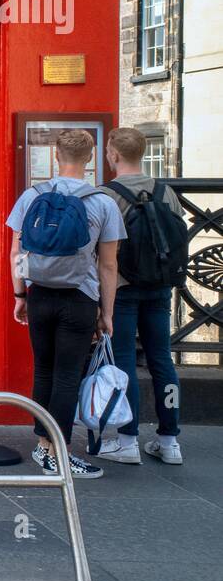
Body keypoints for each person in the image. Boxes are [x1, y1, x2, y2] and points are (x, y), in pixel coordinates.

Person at [7, 129, 125, 480]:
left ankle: (44, 445)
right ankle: (56, 452)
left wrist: (20, 294)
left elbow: (17, 252)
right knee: (68, 376)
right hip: (80, 298)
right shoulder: (102, 203)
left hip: (40, 293)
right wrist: (107, 313)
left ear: (56, 155)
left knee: (43, 370)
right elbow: (108, 265)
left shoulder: (32, 196)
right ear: (90, 158)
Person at [94, 127, 185, 466]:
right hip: (160, 288)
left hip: (122, 288)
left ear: (113, 155)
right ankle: (169, 439)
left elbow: (99, 252)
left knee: (124, 363)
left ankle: (128, 439)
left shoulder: (106, 194)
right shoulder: (166, 192)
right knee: (163, 360)